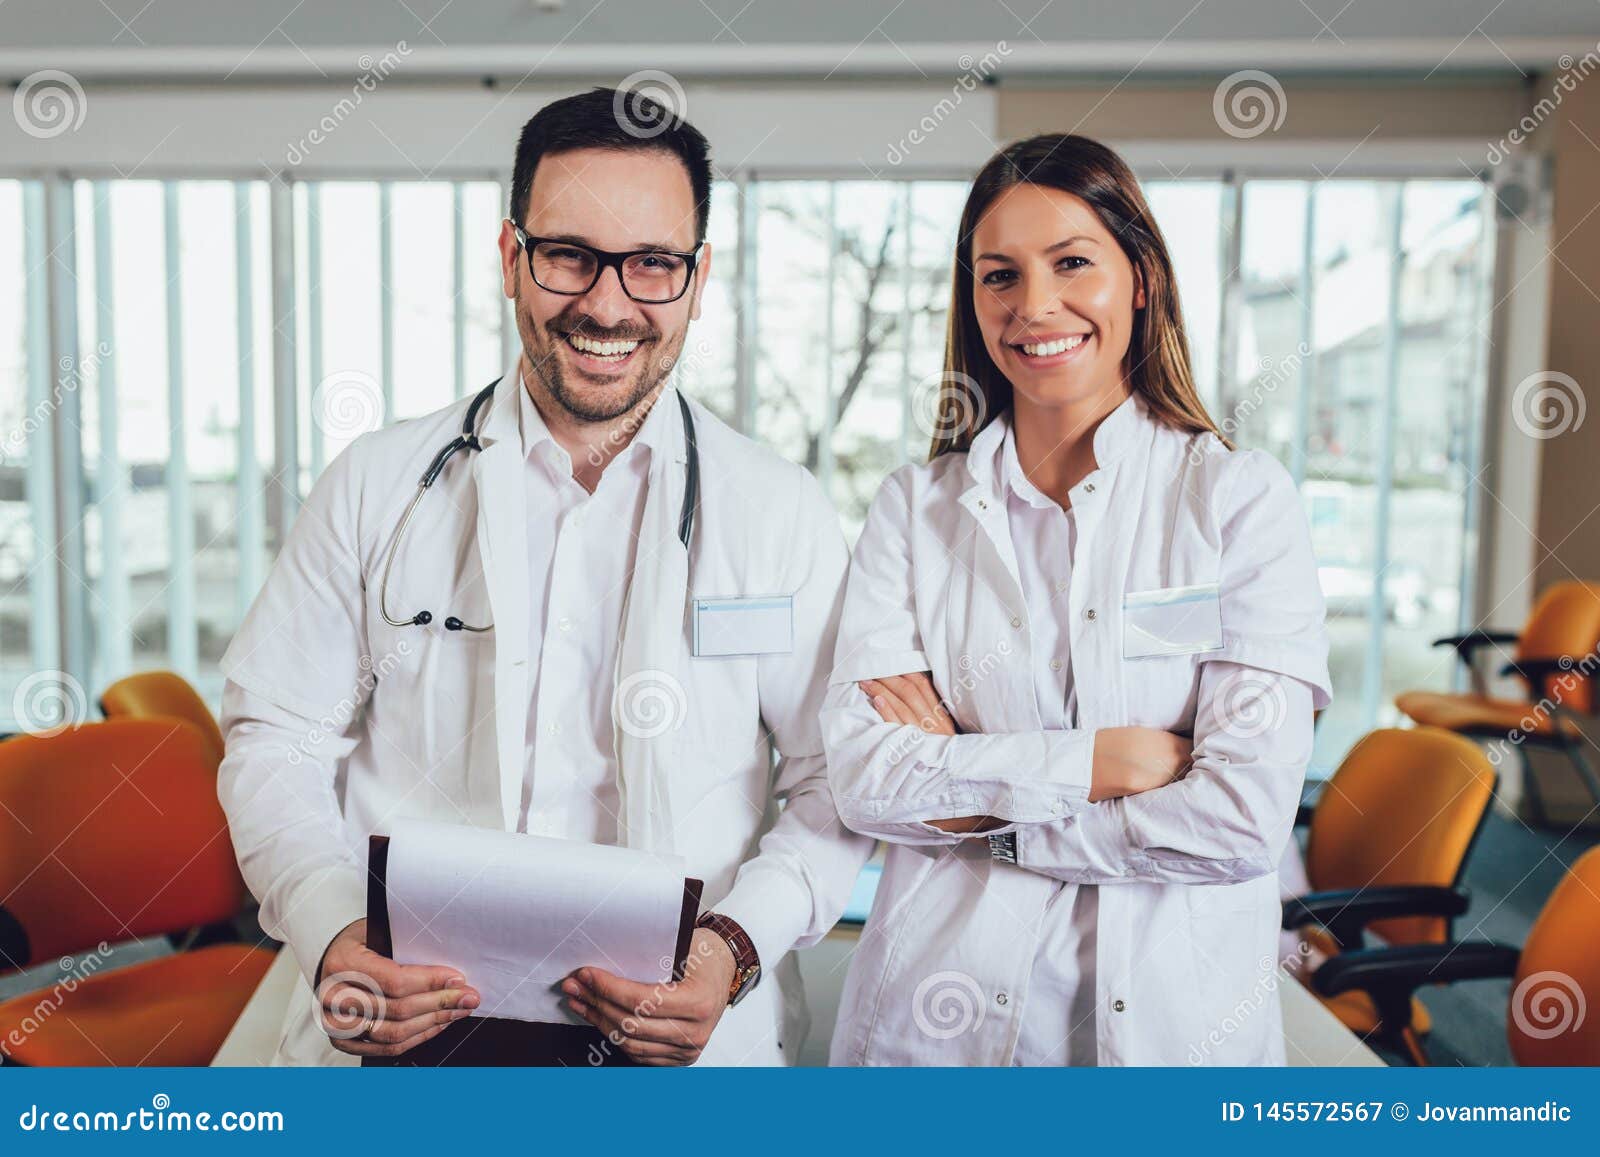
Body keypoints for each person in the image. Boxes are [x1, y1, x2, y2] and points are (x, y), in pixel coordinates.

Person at [218, 87, 871, 1066]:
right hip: (398, 1023)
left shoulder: (779, 512)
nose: (607, 304)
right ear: (511, 260)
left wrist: (732, 948)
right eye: (569, 255)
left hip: (671, 1040)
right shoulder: (377, 483)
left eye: (652, 264)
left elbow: (832, 783)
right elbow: (278, 737)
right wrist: (327, 926)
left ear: (698, 279)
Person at [821, 134, 1332, 1067]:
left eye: (1071, 263)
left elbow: (1240, 818)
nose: (1033, 305)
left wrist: (987, 815)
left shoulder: (1238, 501)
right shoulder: (912, 509)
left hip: (1171, 1043)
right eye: (999, 275)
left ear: (1140, 278)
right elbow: (866, 779)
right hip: (937, 1039)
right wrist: (1104, 760)